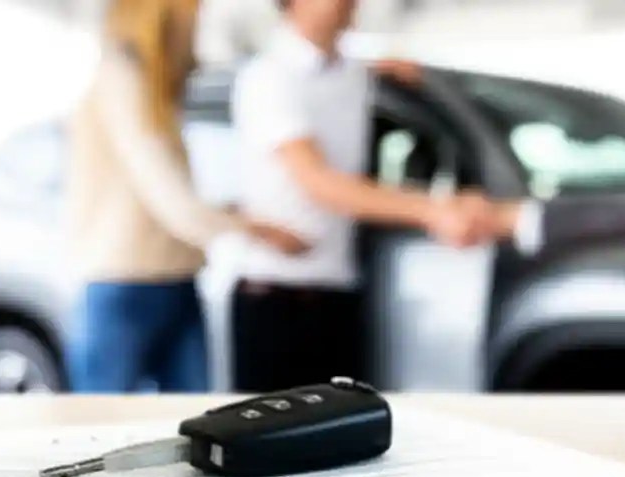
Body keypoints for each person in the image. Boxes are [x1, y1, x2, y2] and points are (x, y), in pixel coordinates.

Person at [228, 0, 493, 392]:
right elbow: (318, 181)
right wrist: (433, 210)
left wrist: (401, 74)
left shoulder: (353, 73)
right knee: (272, 424)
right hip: (277, 295)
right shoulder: (269, 78)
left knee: (349, 422)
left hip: (341, 292)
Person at [66, 0, 306, 394]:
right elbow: (168, 197)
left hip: (177, 278)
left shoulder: (158, 85)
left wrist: (230, 213)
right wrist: (254, 228)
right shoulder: (122, 75)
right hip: (125, 283)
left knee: (192, 418)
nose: (199, 20)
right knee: (102, 422)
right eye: (195, 9)